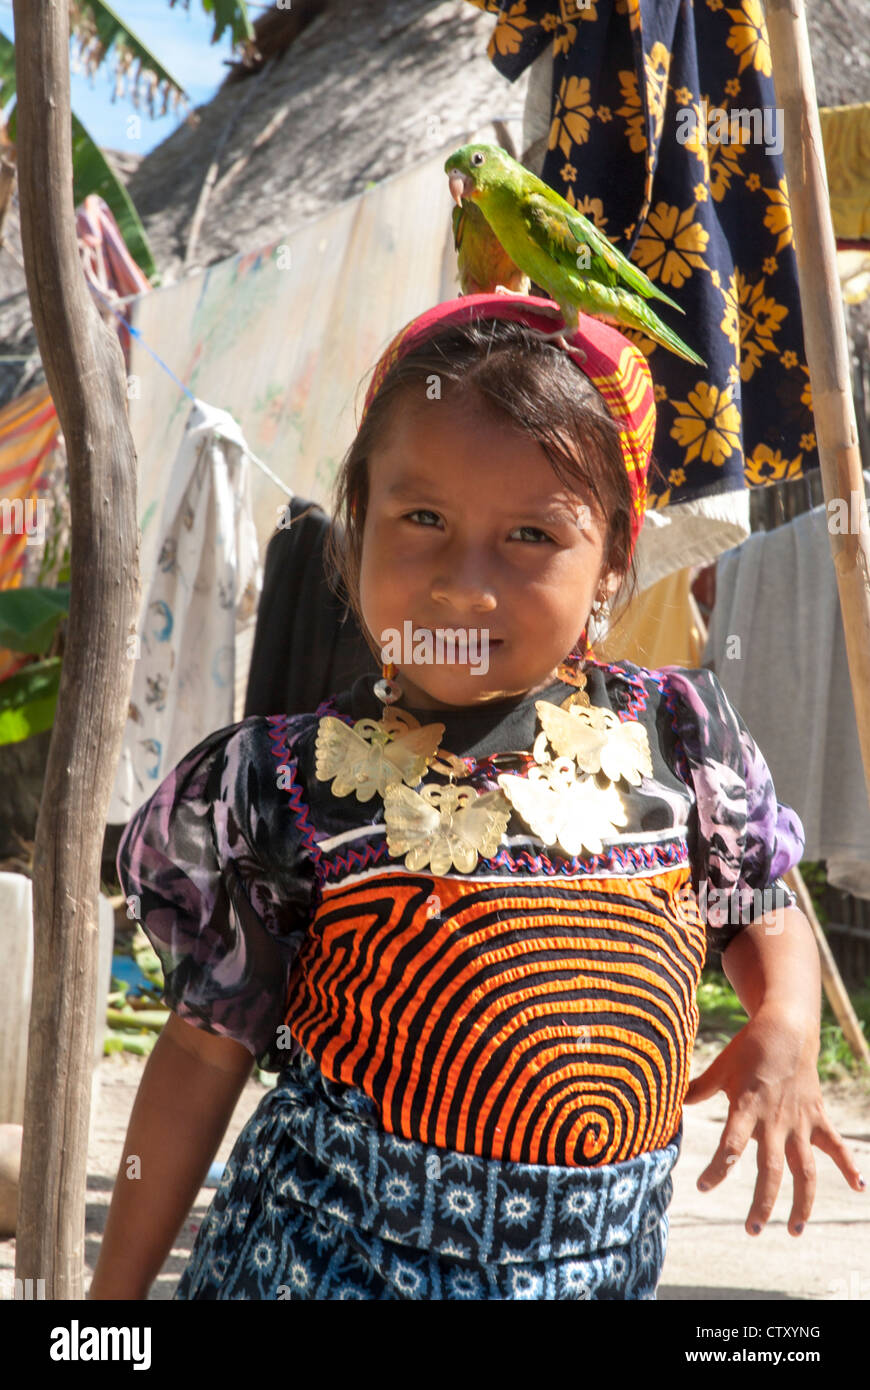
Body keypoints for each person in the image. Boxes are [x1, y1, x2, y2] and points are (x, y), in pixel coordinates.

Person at [90, 294, 864, 1302]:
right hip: (328, 1269)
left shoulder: (678, 743)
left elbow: (761, 905)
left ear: (615, 562)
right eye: (423, 518)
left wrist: (791, 1022)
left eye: (532, 536)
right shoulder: (285, 787)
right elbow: (200, 1056)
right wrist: (107, 1313)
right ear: (354, 525)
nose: (465, 581)